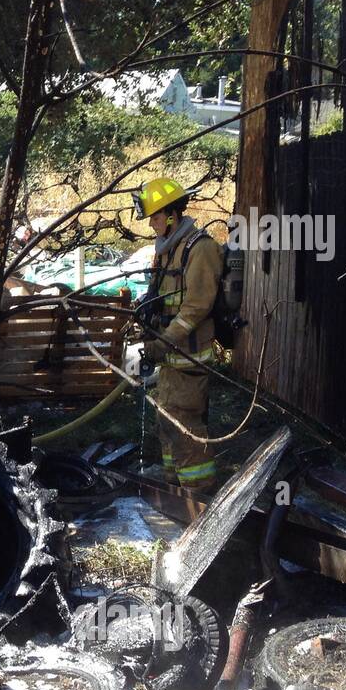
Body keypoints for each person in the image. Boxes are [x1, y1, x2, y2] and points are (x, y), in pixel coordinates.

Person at [134, 177, 221, 489]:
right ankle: (173, 488)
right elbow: (160, 298)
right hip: (170, 359)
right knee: (167, 424)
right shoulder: (166, 251)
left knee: (185, 429)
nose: (152, 225)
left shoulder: (201, 249)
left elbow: (196, 306)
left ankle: (199, 496)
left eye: (155, 217)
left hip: (189, 357)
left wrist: (165, 341)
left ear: (172, 214)